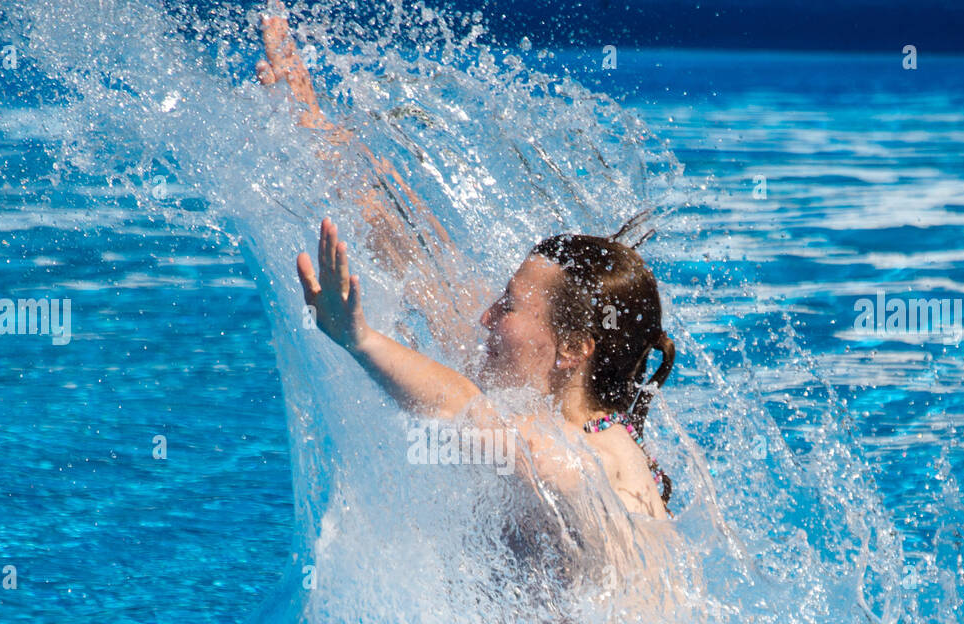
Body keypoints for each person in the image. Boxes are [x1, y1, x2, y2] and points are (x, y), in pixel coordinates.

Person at [254, 5, 678, 526]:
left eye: (509, 307)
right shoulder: (547, 391)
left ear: (572, 349)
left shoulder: (586, 464)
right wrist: (315, 127)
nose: (485, 318)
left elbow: (464, 409)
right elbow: (414, 263)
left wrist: (359, 339)